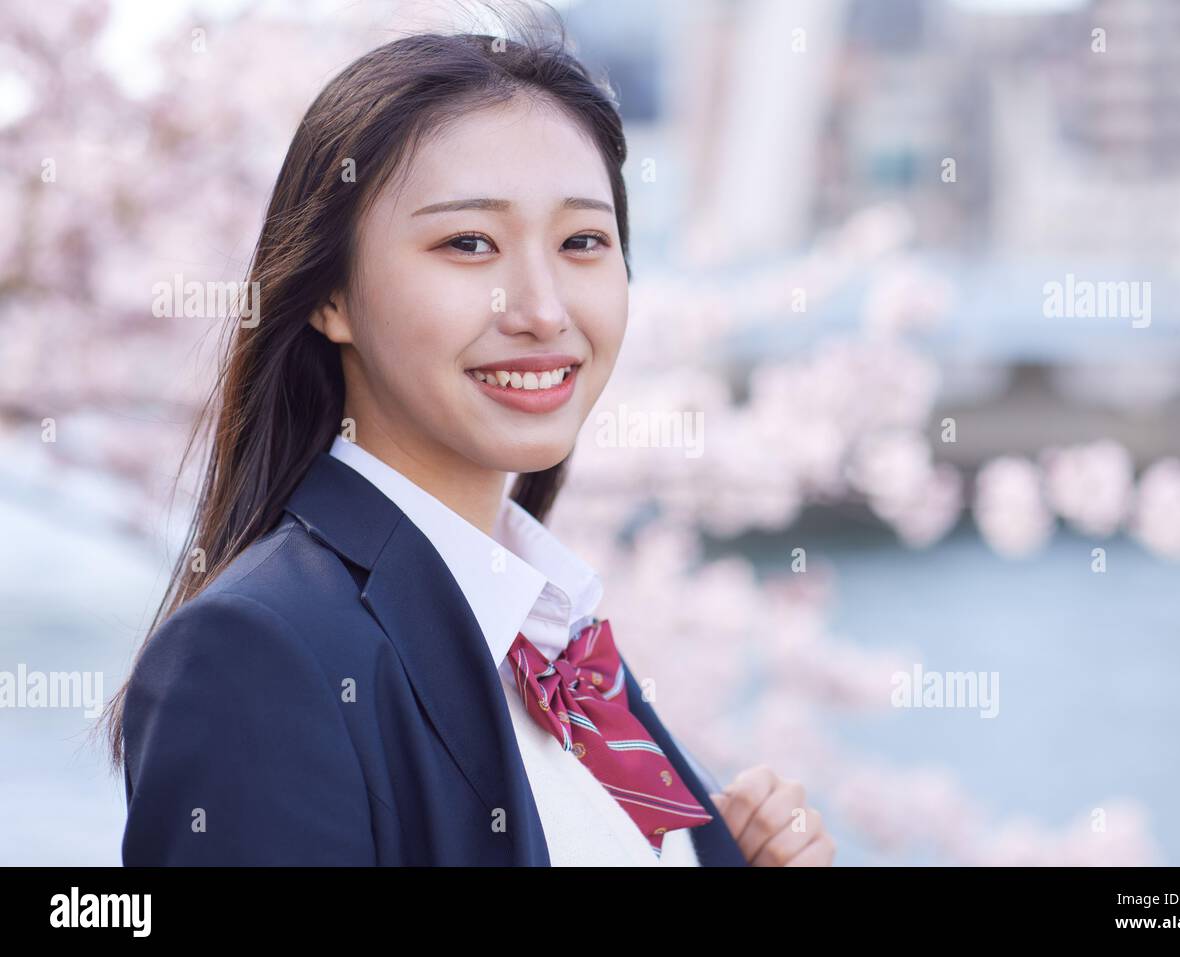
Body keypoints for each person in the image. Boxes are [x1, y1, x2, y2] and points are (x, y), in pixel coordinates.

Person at [104, 18, 835, 867]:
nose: (541, 308)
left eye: (582, 243)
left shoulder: (555, 634)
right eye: (469, 243)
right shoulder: (258, 656)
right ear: (329, 296)